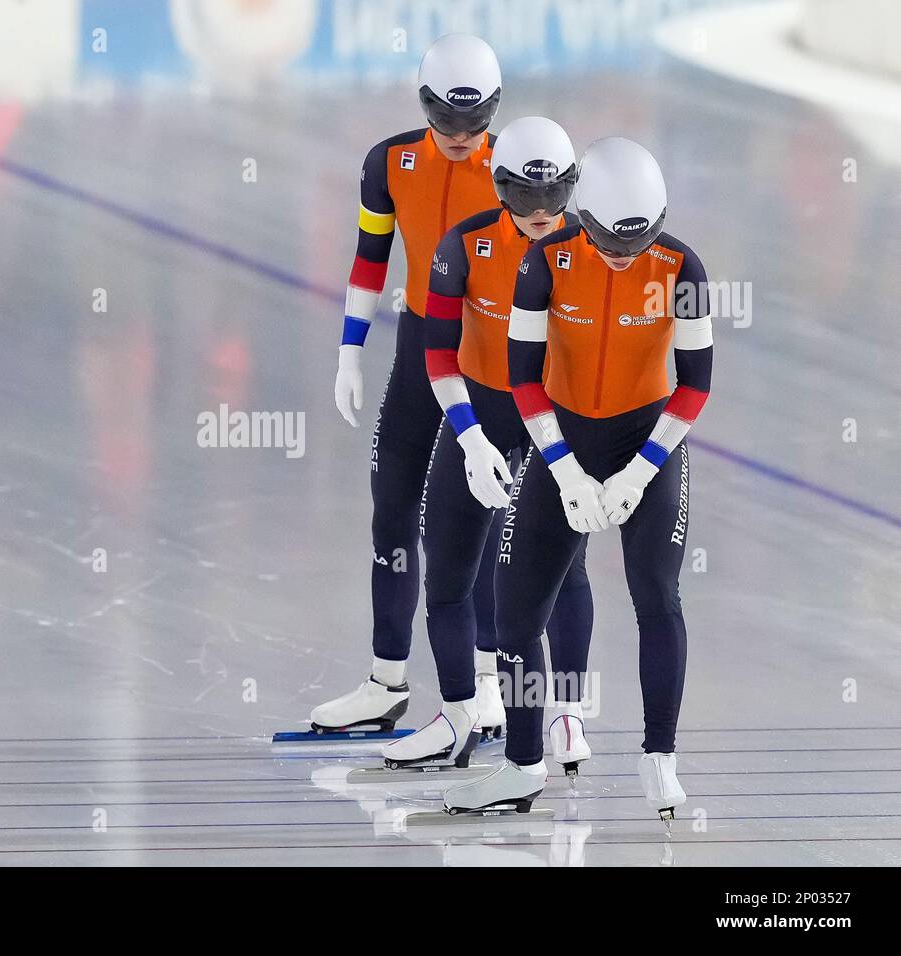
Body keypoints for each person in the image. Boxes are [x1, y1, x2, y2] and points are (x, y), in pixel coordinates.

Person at [444, 138, 713, 819]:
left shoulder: (683, 267)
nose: (623, 255)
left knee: (656, 594)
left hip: (648, 443)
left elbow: (695, 387)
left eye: (639, 240)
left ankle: (660, 758)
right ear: (579, 217)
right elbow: (523, 380)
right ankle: (523, 764)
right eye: (605, 239)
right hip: (565, 441)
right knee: (515, 611)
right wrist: (564, 471)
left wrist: (638, 472)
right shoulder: (545, 263)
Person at [379, 117, 594, 772]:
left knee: (561, 573)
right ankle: (460, 711)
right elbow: (436, 355)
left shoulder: (595, 249)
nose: (539, 212)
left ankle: (566, 715)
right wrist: (470, 438)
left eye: (553, 197)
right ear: (498, 188)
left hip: (553, 422)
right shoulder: (462, 246)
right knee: (445, 564)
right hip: (485, 418)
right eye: (524, 198)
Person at [311, 35, 504, 735]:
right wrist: (348, 352)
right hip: (422, 347)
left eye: (474, 123)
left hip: (490, 360)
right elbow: (370, 258)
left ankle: (487, 680)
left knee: (475, 517)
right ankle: (385, 679)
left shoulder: (516, 171)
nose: (459, 138)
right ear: (423, 107)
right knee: (391, 506)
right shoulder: (387, 164)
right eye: (446, 122)